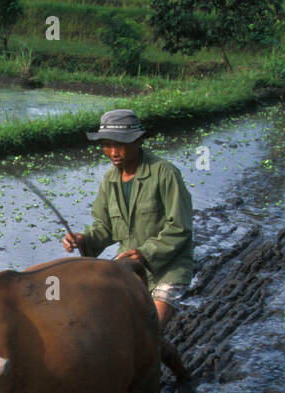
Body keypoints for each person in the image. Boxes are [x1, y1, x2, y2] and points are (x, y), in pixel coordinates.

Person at [62, 109, 193, 331]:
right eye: (106, 144)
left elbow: (180, 227)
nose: (113, 152)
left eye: (120, 144)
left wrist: (145, 253)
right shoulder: (110, 180)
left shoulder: (164, 173)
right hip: (129, 268)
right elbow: (105, 227)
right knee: (114, 328)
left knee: (150, 333)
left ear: (138, 141)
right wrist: (83, 239)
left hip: (168, 268)